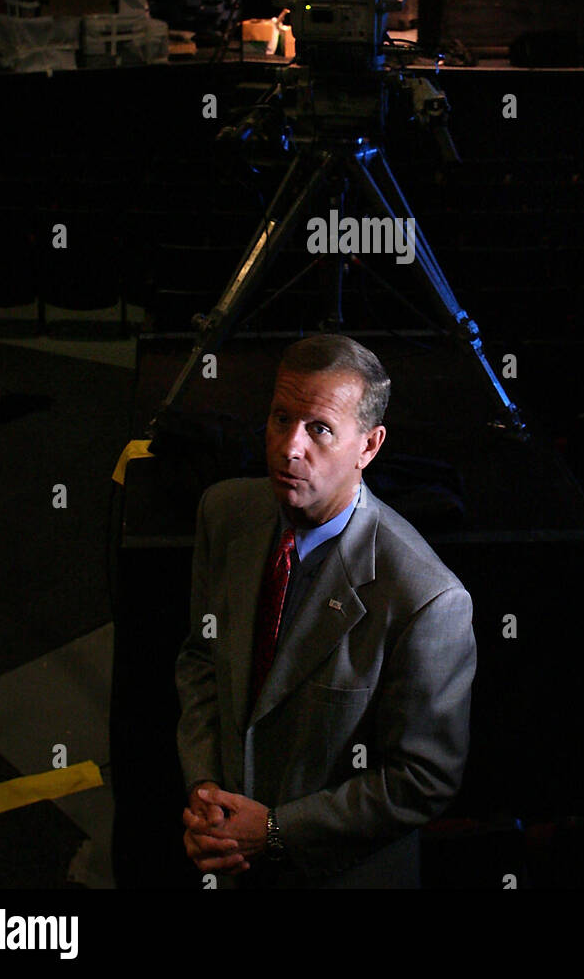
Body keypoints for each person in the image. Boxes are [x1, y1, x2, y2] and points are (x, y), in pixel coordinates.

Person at [175, 333, 477, 890]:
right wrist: (205, 794)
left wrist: (272, 830)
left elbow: (422, 780)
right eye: (280, 417)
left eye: (319, 429)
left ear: (369, 446)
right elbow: (200, 660)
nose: (289, 447)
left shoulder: (428, 600)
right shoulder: (224, 513)